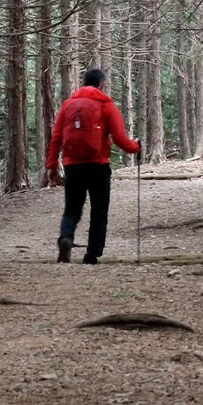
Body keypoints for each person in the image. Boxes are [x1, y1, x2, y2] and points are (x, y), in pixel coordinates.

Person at [45, 68, 140, 264]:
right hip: (98, 165)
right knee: (99, 210)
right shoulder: (106, 105)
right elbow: (120, 139)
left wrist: (52, 165)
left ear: (83, 82)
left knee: (72, 209)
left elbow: (57, 137)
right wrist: (136, 147)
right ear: (101, 84)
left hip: (73, 166)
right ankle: (92, 254)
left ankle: (66, 237)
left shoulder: (68, 105)